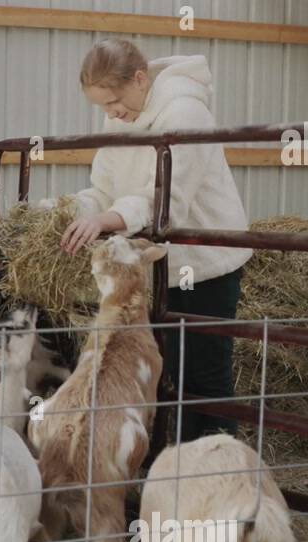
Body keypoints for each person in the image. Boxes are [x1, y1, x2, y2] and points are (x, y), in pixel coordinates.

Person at [60, 38, 253, 441]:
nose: (110, 113)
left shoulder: (186, 113)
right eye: (102, 106)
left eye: (113, 100)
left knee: (205, 376)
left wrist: (109, 219)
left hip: (205, 262)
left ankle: (219, 473)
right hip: (158, 263)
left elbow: (167, 200)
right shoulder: (122, 119)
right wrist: (66, 211)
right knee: (167, 370)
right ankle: (174, 473)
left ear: (140, 79)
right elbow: (104, 190)